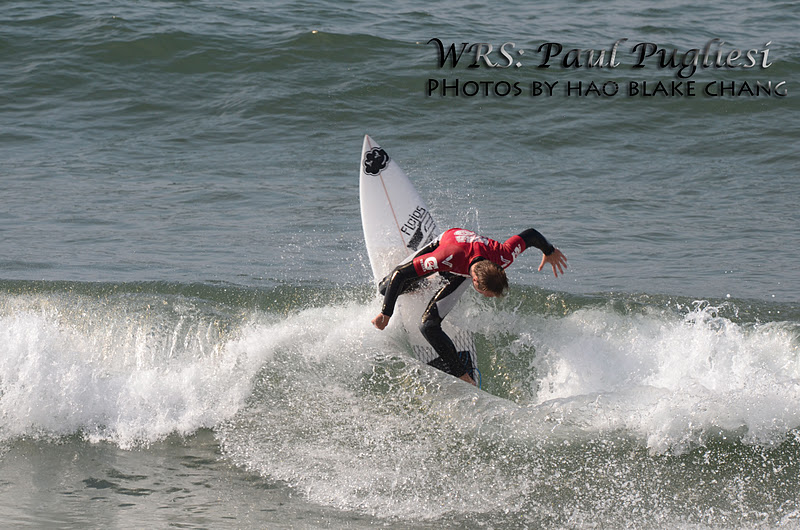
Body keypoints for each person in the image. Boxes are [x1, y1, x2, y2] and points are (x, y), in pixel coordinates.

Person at [371, 227, 567, 386]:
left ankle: (463, 375)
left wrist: (549, 251)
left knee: (428, 326)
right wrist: (385, 314)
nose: (489, 298)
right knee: (385, 289)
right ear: (475, 282)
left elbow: (531, 235)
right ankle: (430, 280)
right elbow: (400, 274)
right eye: (486, 294)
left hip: (469, 262)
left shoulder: (504, 256)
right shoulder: (445, 257)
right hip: (449, 245)